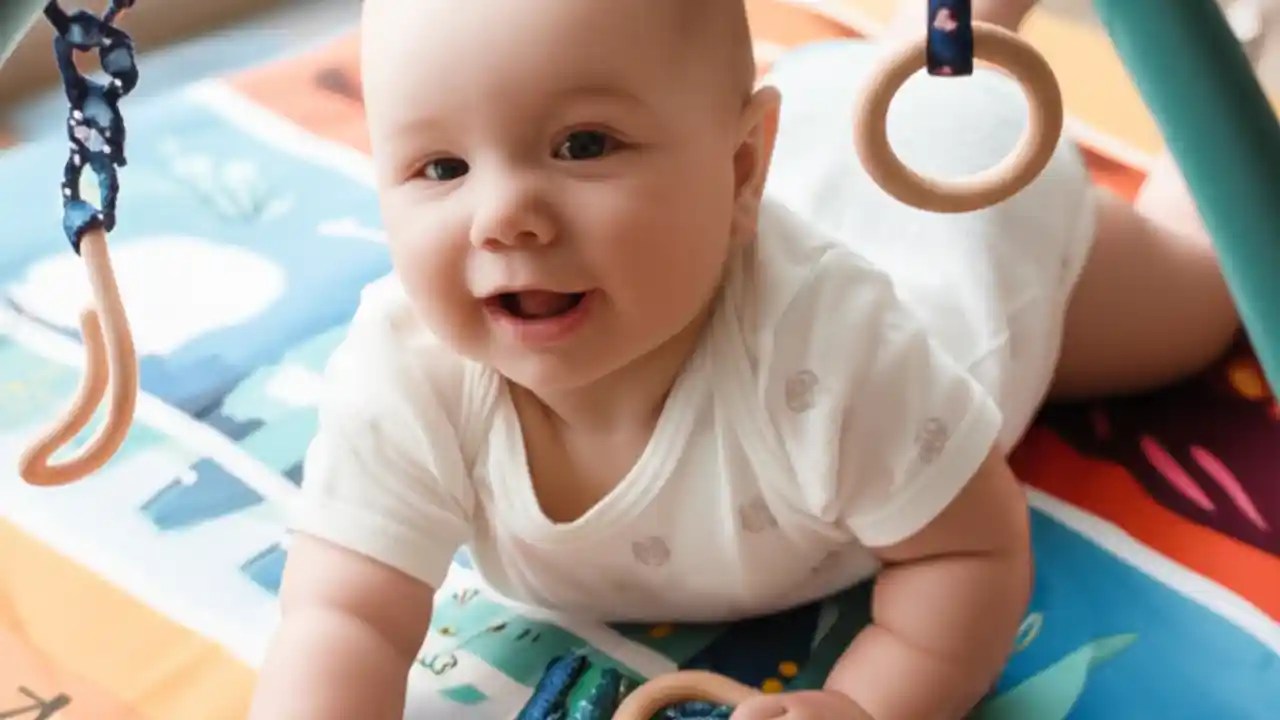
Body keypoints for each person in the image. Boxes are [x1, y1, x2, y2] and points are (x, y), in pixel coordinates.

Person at [249, 0, 1241, 717]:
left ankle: (1234, 62)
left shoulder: (830, 358)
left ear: (738, 168)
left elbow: (969, 549)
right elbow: (342, 618)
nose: (502, 215)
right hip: (797, 140)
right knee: (886, 81)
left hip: (951, 226)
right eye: (441, 168)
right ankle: (938, 36)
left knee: (1200, 299)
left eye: (582, 145)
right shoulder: (409, 368)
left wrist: (864, 703)